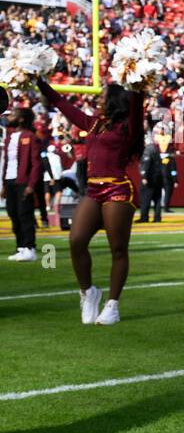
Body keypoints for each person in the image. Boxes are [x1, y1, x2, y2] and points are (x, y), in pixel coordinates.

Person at [34, 77, 145, 325]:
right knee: (76, 239)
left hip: (118, 189)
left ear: (115, 101)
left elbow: (138, 106)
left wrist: (138, 86)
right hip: (93, 189)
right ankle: (88, 292)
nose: (99, 99)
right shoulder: (93, 124)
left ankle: (113, 304)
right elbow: (60, 102)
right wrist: (38, 80)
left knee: (117, 249)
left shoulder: (128, 127)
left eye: (103, 96)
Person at [3, 107, 42, 262]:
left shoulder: (30, 137)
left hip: (23, 181)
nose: (9, 116)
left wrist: (31, 184)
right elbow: (6, 162)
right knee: (13, 213)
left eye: (13, 114)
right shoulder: (9, 137)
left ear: (21, 119)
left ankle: (29, 248)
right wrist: (4, 184)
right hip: (9, 180)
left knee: (24, 214)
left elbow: (36, 163)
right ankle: (20, 248)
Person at [137, 139, 164, 223]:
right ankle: (157, 218)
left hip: (150, 179)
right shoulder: (156, 151)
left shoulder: (147, 150)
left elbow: (146, 163)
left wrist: (145, 177)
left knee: (145, 198)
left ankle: (144, 217)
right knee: (157, 199)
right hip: (158, 179)